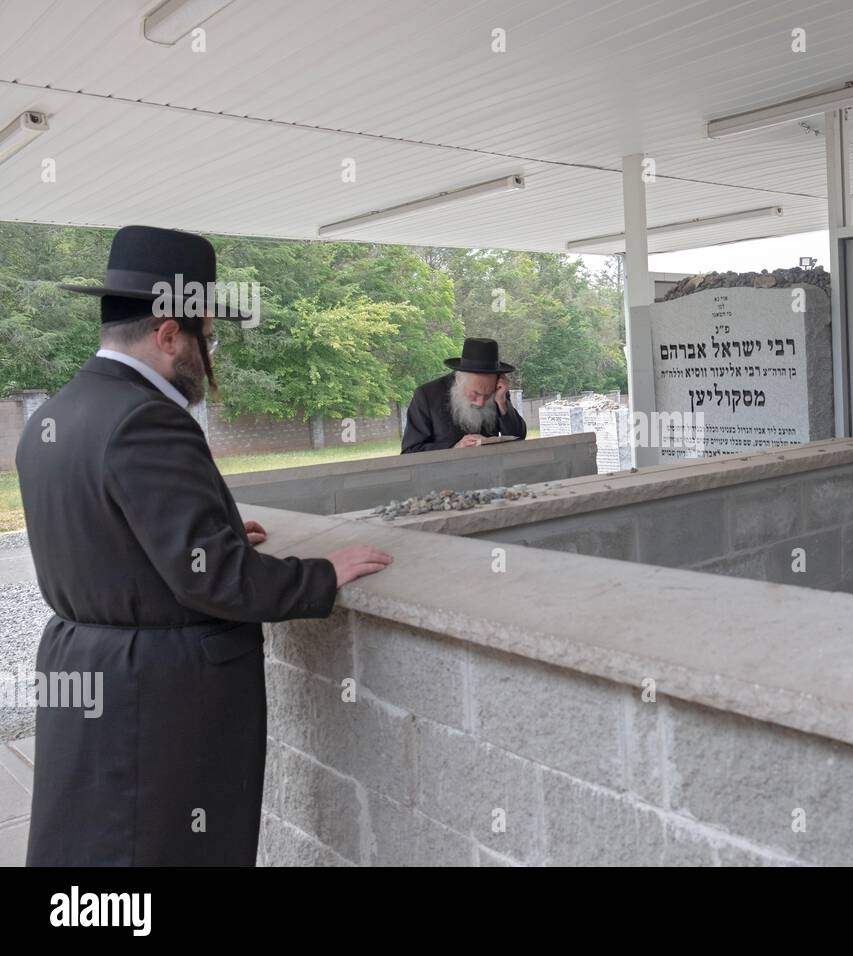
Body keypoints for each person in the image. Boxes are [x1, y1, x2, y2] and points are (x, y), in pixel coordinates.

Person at [16, 225, 392, 866]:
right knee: (157, 849)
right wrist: (321, 574)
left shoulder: (56, 413)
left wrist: (205, 537)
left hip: (86, 664)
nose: (208, 353)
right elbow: (214, 579)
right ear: (169, 332)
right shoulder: (146, 417)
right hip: (154, 688)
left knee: (93, 845)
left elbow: (102, 531)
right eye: (206, 337)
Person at [401, 338, 527, 453]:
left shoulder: (498, 391)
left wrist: (502, 403)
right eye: (475, 394)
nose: (481, 403)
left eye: (487, 395)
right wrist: (454, 448)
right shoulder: (426, 396)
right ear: (459, 379)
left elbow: (518, 438)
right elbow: (410, 452)